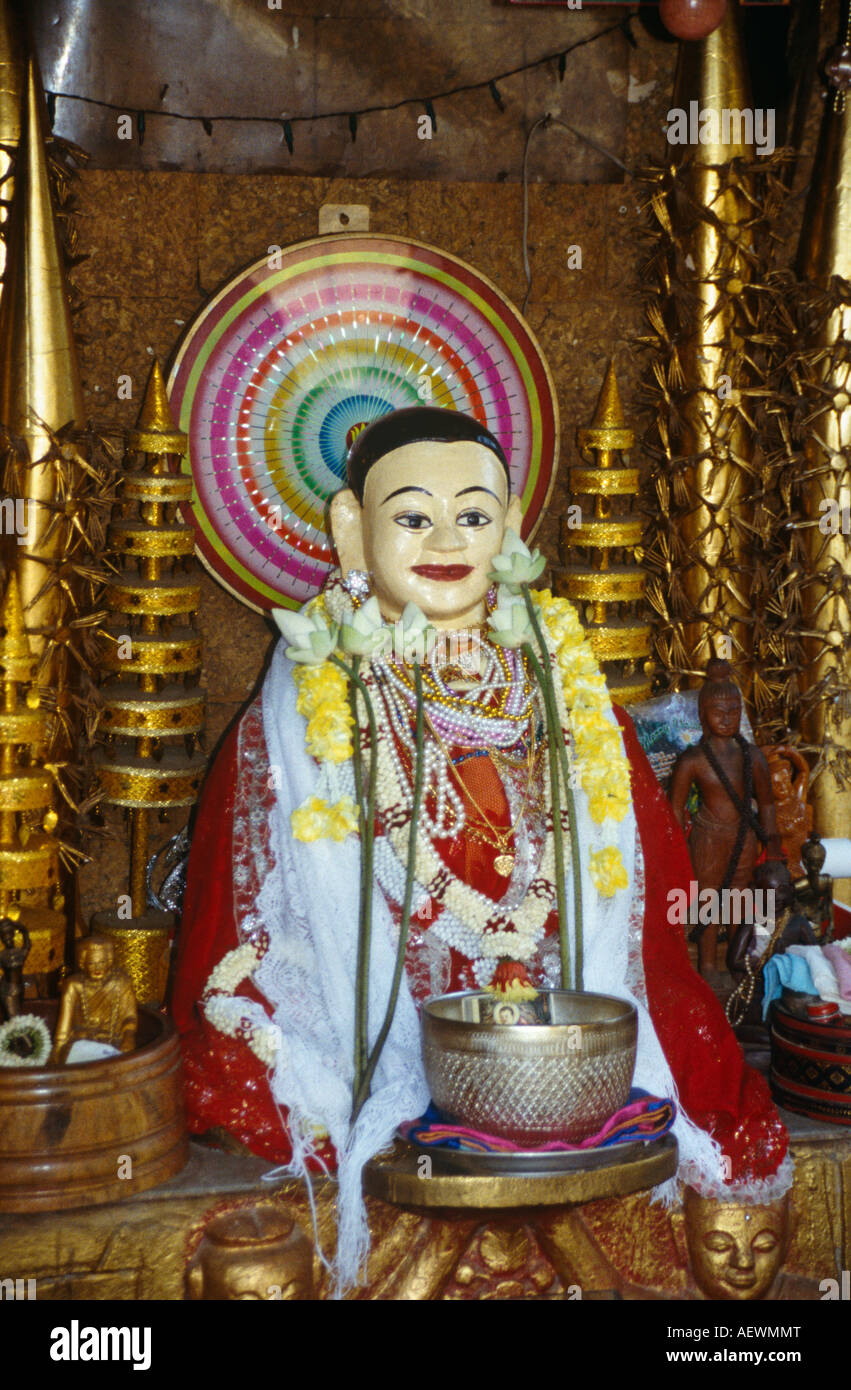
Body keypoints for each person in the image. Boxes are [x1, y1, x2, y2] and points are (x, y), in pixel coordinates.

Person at [171, 407, 789, 1287]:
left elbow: (636, 881)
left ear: (509, 528)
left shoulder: (556, 673)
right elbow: (266, 907)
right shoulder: (305, 698)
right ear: (353, 529)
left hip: (555, 1016)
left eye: (473, 514)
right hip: (383, 1007)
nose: (445, 540)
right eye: (412, 517)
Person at [669, 660, 780, 981]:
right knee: (707, 898)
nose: (727, 718)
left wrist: (772, 844)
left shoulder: (753, 757)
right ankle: (706, 965)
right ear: (703, 715)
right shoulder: (693, 760)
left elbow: (768, 804)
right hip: (706, 837)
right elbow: (674, 809)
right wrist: (674, 848)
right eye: (719, 712)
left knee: (739, 898)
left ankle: (735, 961)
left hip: (743, 836)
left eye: (733, 711)